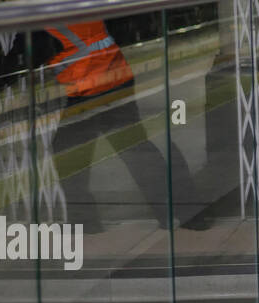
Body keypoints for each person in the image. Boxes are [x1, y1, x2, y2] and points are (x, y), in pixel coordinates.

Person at [35, 19, 201, 232]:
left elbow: (27, 55)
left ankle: (86, 224)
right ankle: (184, 213)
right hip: (116, 76)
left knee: (69, 153)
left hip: (89, 88)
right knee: (136, 151)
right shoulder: (80, 2)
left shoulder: (43, 21)